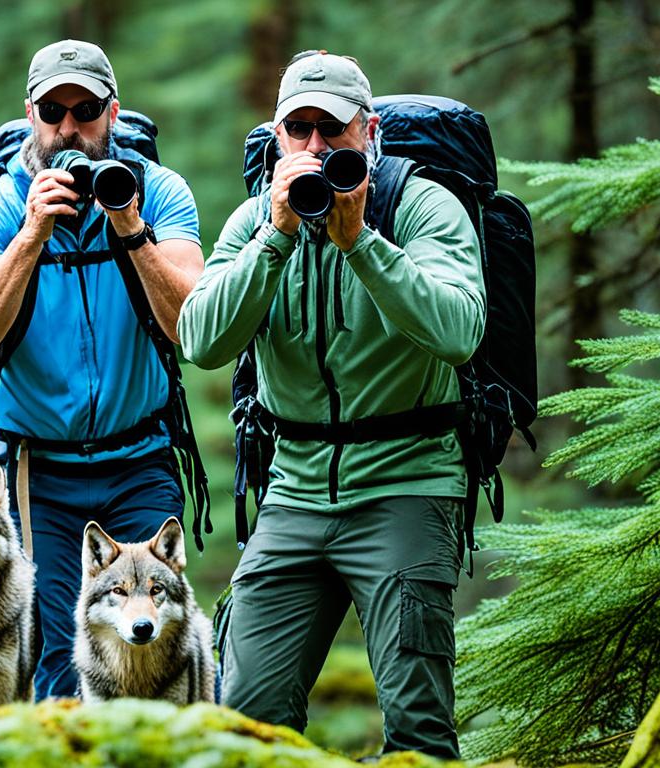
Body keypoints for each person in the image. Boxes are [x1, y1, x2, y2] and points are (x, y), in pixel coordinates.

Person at [178, 51, 485, 759]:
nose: (314, 146)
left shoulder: (422, 206)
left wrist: (362, 245)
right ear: (277, 136)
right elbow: (201, 342)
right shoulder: (257, 221)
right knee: (245, 720)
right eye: (299, 129)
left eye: (333, 128)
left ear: (369, 131)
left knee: (417, 727)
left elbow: (459, 332)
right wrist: (276, 239)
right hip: (295, 491)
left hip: (408, 481)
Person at [0, 40, 205, 700]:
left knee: (156, 647)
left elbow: (194, 327)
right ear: (29, 114)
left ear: (112, 112)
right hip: (38, 469)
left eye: (86, 111)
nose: (69, 128)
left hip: (140, 457)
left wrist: (130, 227)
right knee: (59, 655)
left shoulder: (159, 193)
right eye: (53, 111)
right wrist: (31, 234)